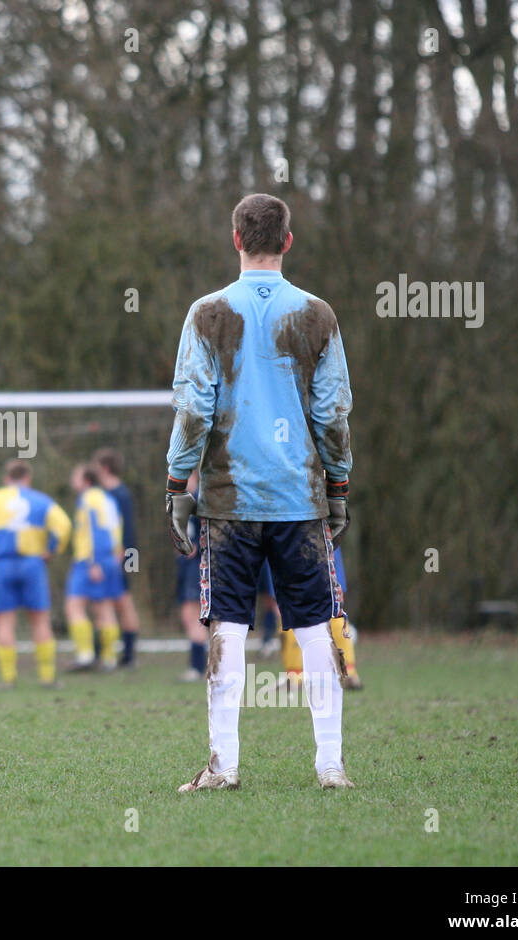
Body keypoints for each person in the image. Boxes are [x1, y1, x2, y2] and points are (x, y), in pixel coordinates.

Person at [165, 193, 354, 790]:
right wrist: (339, 485)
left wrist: (178, 482)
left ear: (236, 239)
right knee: (318, 625)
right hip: (300, 497)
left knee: (226, 627)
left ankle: (224, 766)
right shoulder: (318, 314)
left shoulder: (207, 313)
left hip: (228, 500)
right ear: (288, 241)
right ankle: (330, 765)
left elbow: (194, 408)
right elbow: (332, 414)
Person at [0, 459, 71, 688]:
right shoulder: (41, 501)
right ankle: (47, 677)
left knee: (4, 622)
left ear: (6, 479)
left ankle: (8, 679)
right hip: (33, 564)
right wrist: (51, 551)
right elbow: (63, 527)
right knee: (40, 620)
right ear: (28, 479)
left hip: (1, 565)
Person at [64, 463, 125, 673]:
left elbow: (93, 532)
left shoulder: (88, 498)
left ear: (86, 480)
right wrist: (116, 553)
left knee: (74, 606)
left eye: (76, 475)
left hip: (91, 560)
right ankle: (109, 659)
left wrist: (93, 563)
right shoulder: (109, 498)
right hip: (111, 558)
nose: (73, 479)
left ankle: (85, 655)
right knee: (104, 608)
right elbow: (117, 526)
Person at [279, 548, 362, 690]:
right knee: (335, 616)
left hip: (293, 545)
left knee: (294, 618)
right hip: (322, 542)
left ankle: (296, 675)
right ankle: (347, 672)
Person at [91, 448, 142, 668]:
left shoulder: (120, 494)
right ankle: (103, 652)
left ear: (104, 468)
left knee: (123, 602)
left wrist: (127, 559)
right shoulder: (101, 493)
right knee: (105, 602)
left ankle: (128, 655)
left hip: (125, 554)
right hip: (111, 556)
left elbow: (128, 530)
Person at [176, 471, 210, 682]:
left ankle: (198, 667)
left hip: (196, 565)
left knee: (192, 615)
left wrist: (196, 545)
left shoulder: (199, 500)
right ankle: (201, 666)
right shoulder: (182, 500)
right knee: (189, 615)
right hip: (186, 565)